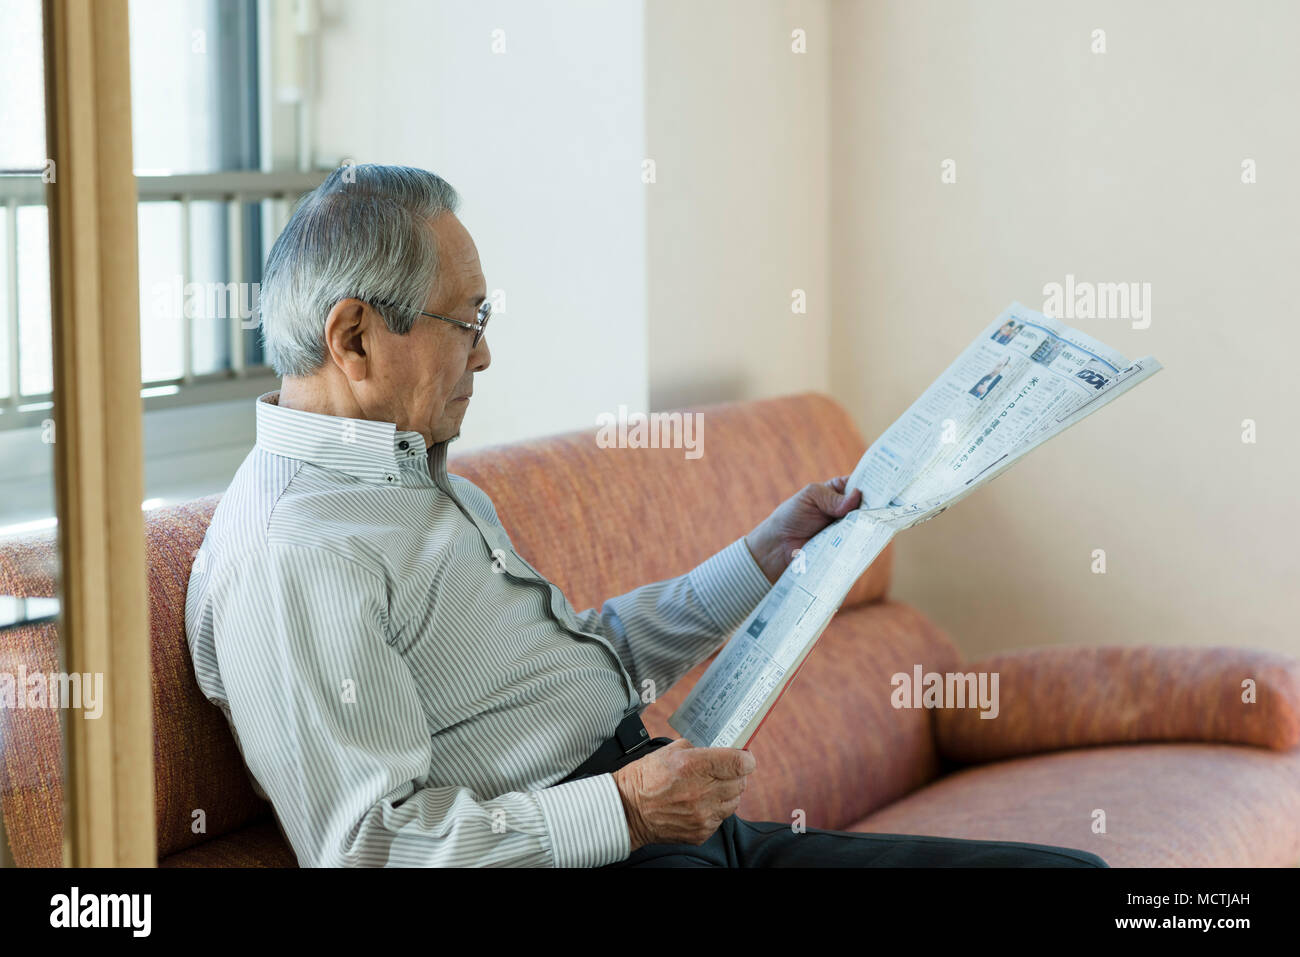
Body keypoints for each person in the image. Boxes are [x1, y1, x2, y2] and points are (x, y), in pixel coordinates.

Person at [185, 164, 1107, 869]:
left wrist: (764, 555)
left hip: (674, 832)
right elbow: (370, 846)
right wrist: (623, 809)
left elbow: (595, 656)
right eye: (467, 322)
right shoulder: (292, 552)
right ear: (353, 337)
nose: (486, 353)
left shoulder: (416, 474)